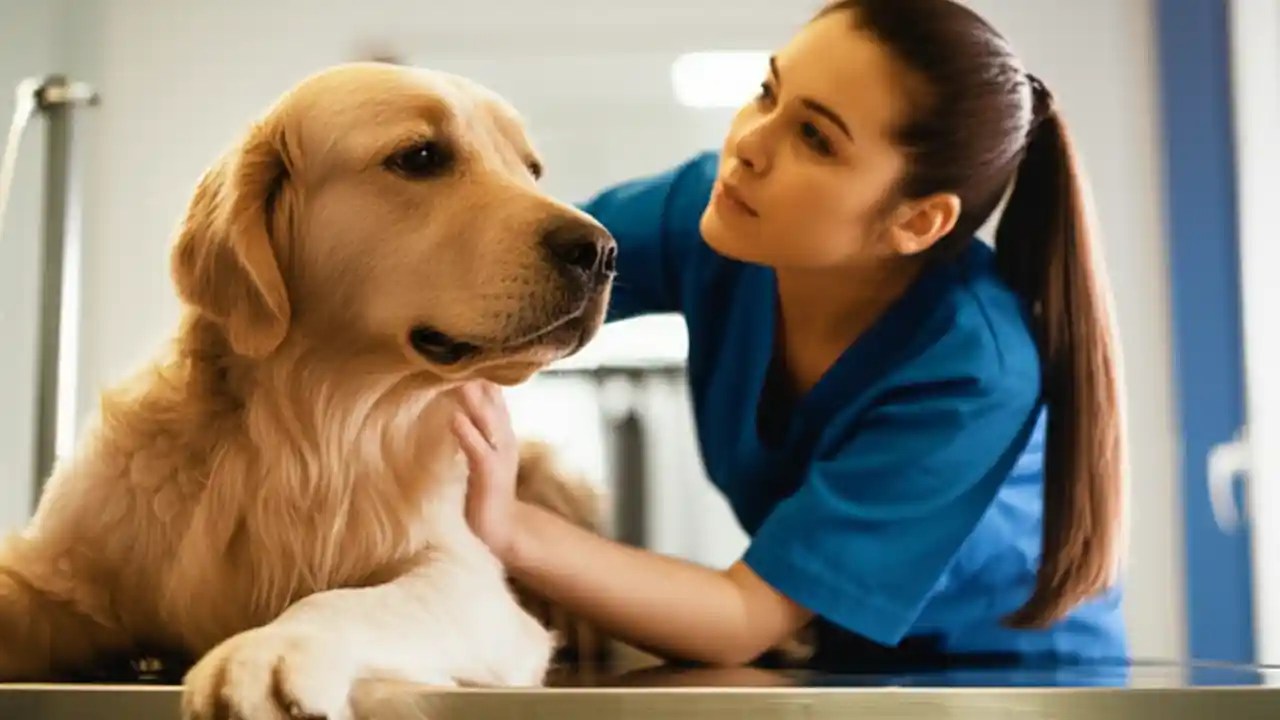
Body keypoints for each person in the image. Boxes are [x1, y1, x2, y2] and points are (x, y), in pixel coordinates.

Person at [451, 0, 1128, 671]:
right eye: (767, 93)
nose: (748, 142)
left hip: (1011, 676)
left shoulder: (972, 367)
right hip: (839, 658)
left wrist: (509, 523)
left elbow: (741, 617)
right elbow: (497, 298)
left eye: (815, 138)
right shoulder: (713, 213)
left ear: (918, 221)